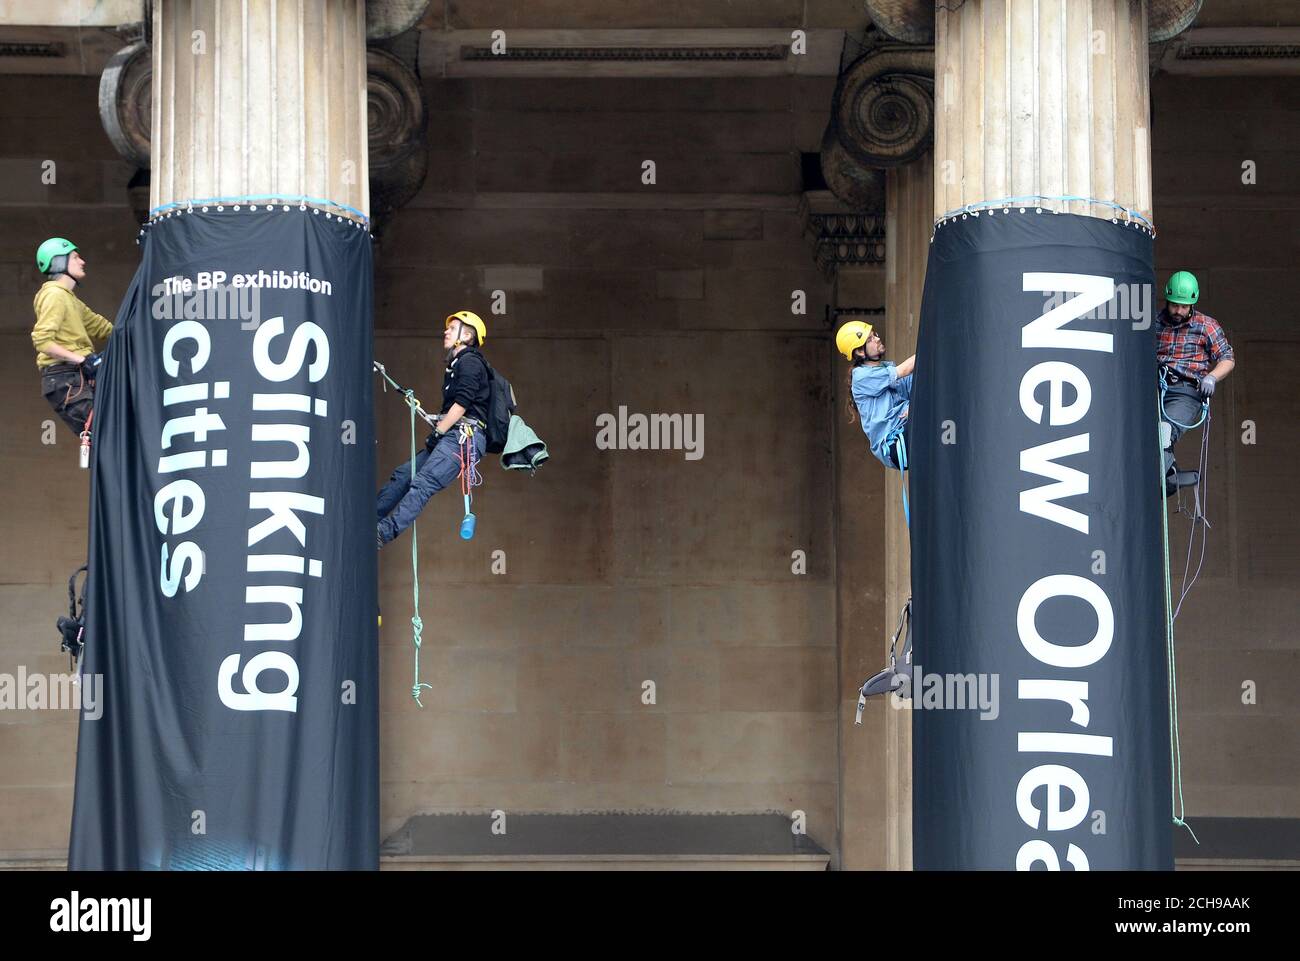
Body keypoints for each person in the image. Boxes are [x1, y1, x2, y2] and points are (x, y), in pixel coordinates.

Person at [377, 310, 491, 547]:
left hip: (463, 438)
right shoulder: (456, 364)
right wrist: (438, 426)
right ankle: (367, 519)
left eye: (452, 328)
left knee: (423, 483)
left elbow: (462, 405)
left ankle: (381, 534)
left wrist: (438, 432)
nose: (445, 331)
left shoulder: (470, 362)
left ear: (467, 335)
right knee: (403, 476)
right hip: (452, 434)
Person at [1156, 270, 1234, 495]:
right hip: (1155, 388)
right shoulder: (1153, 323)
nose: (1178, 311)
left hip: (1186, 392)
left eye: (1183, 306)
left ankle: (1166, 482)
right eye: (1174, 305)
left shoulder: (1206, 326)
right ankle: (1170, 475)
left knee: (1163, 432)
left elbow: (1227, 359)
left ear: (1192, 304)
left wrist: (1212, 377)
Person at [30, 238, 113, 437]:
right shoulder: (54, 295)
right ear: (59, 262)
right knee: (105, 433)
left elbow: (104, 328)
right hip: (65, 377)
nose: (82, 261)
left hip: (76, 376)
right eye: (75, 257)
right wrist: (83, 359)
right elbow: (42, 341)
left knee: (109, 431)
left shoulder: (70, 299)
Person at [837, 319, 915, 470]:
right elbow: (904, 370)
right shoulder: (861, 376)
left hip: (903, 432)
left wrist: (915, 406)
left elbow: (916, 383)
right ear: (860, 351)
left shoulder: (884, 370)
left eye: (875, 335)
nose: (877, 339)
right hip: (895, 443)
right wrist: (932, 345)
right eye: (870, 339)